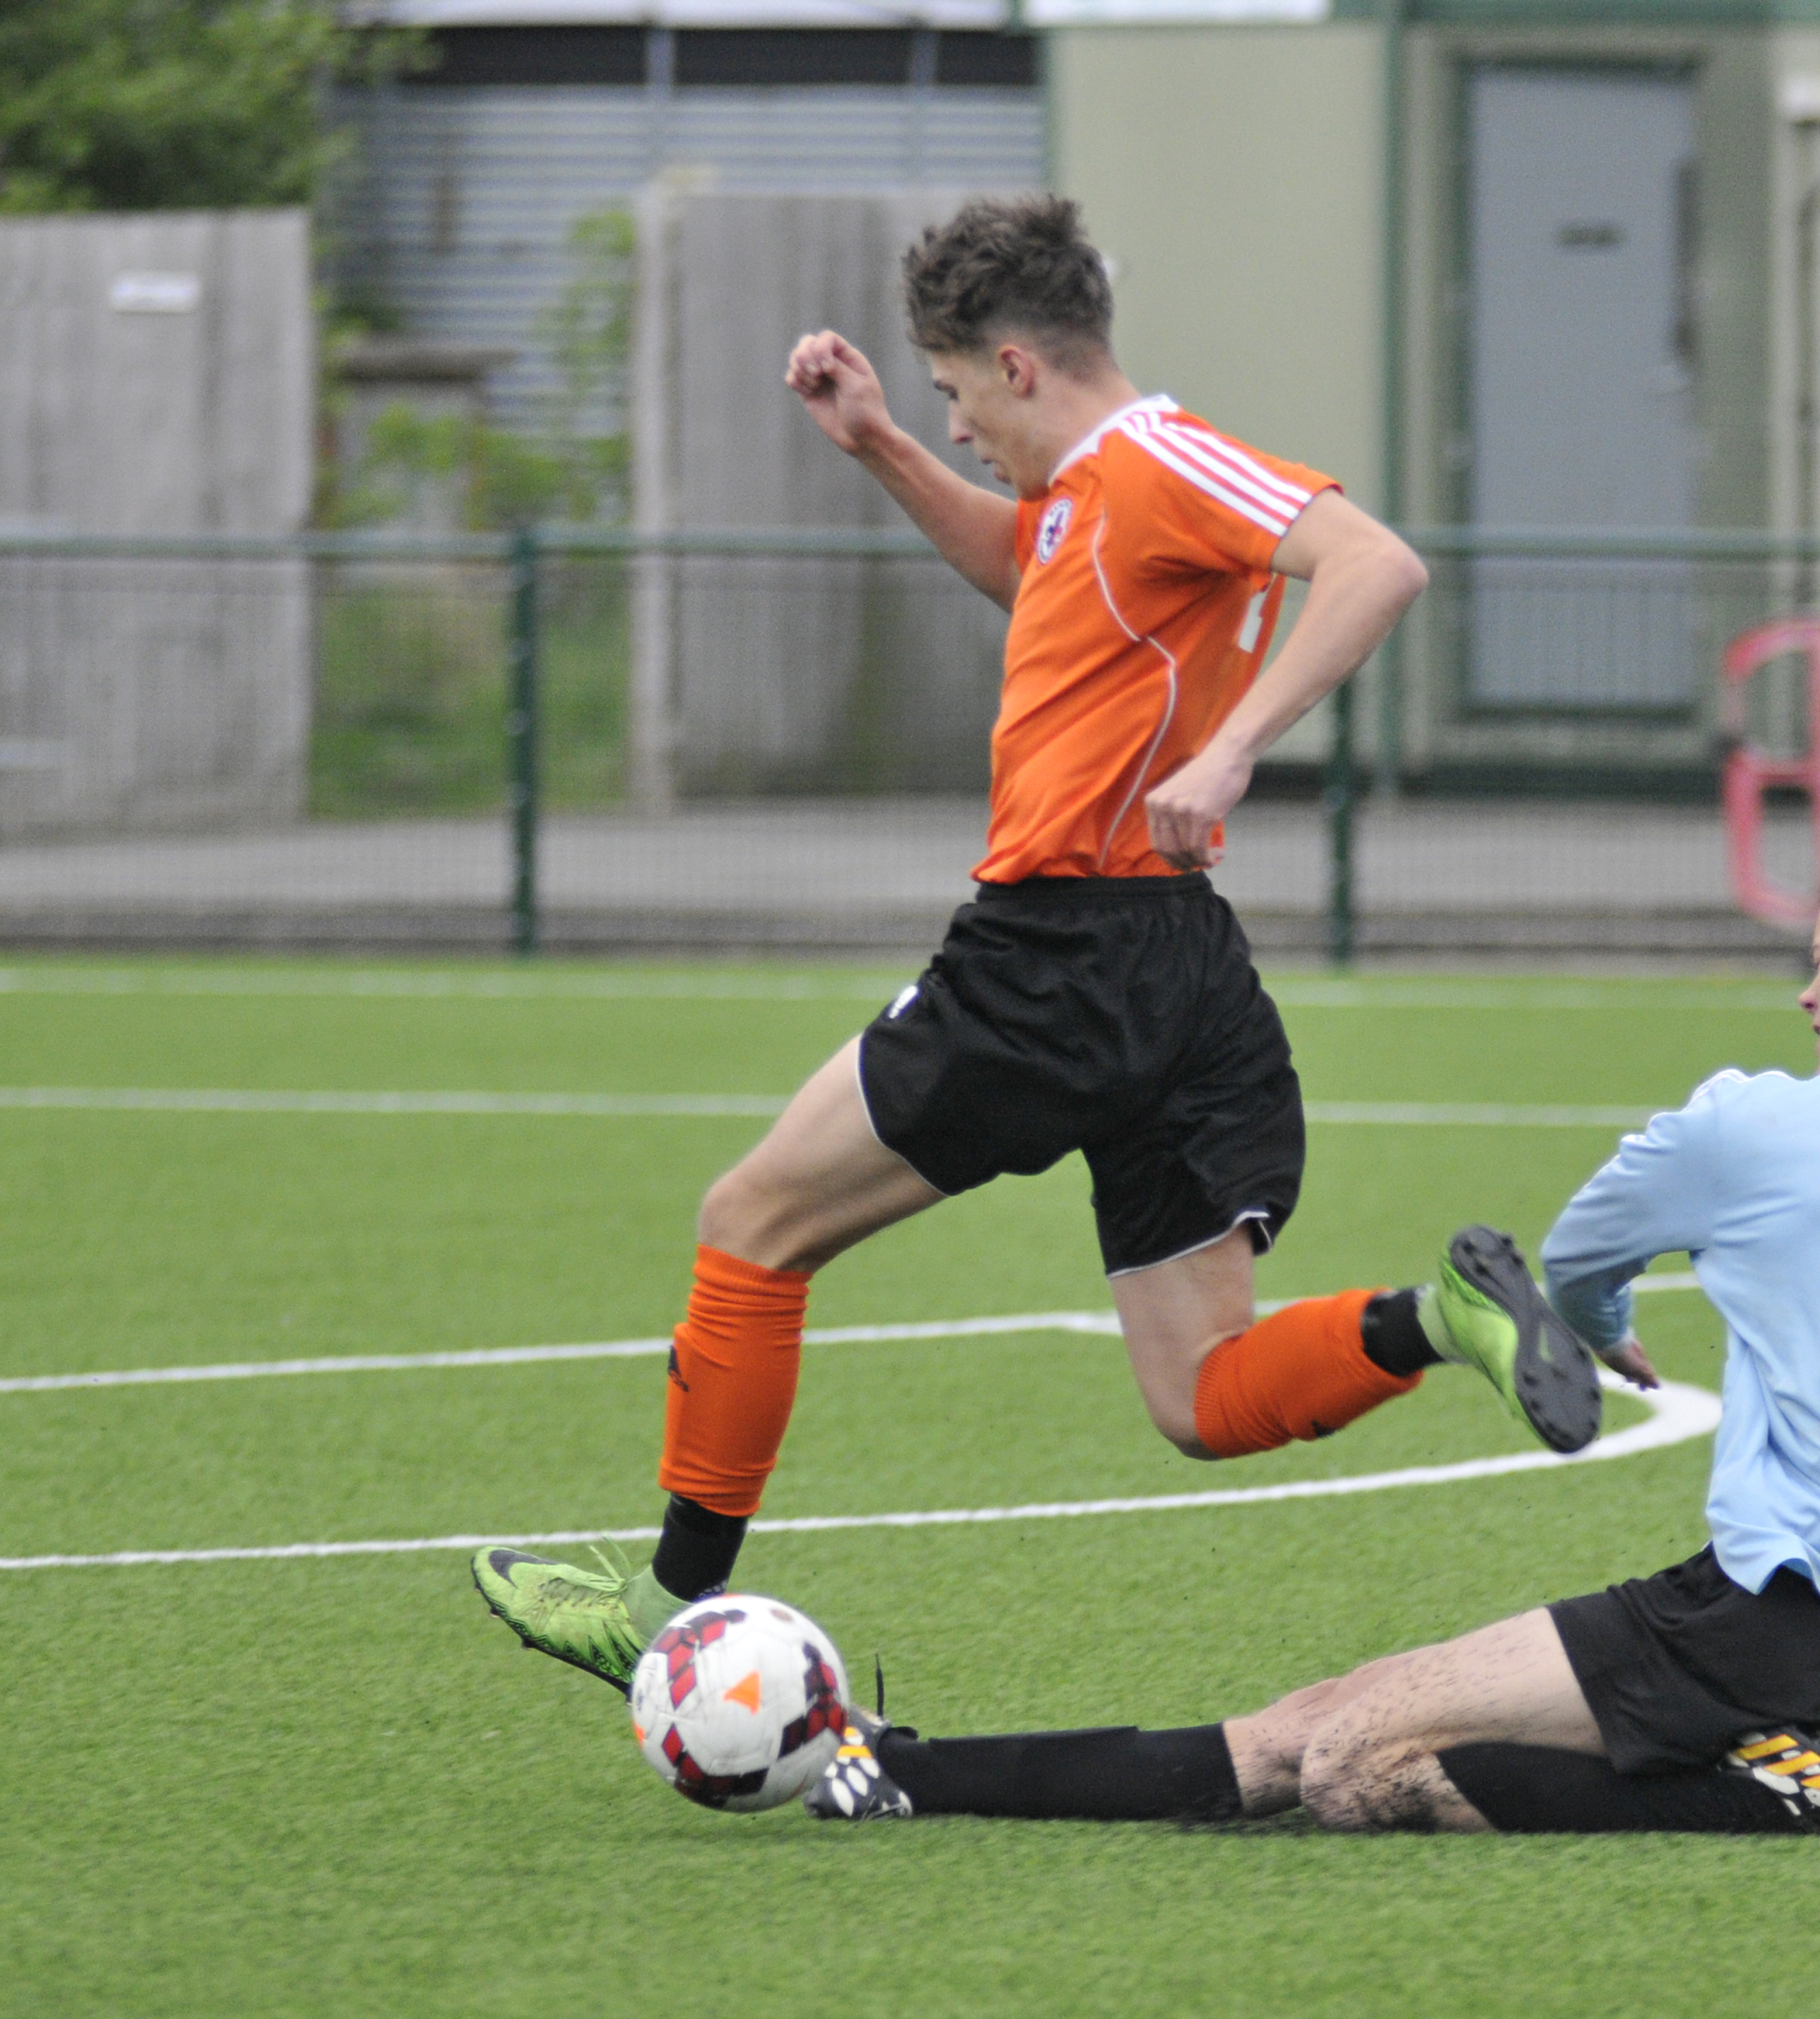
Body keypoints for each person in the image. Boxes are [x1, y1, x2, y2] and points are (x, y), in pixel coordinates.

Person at [473, 195, 1609, 1693]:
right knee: (1201, 1396)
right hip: (1175, 978)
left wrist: (1233, 754)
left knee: (752, 1222)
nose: (955, 427)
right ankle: (1439, 1312)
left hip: (1060, 955)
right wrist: (877, 441)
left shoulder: (1156, 453)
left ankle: (660, 1601)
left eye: (950, 395)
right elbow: (1031, 568)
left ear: (1017, 363)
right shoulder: (1092, 496)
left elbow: (1373, 564)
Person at [799, 835, 1820, 1833]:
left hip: (1743, 1618)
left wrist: (1604, 1324)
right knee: (1330, 1738)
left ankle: (1769, 1795)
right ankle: (903, 1770)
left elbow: (1578, 1248)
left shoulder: (1757, 1122)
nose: (1805, 988)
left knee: (1337, 1755)